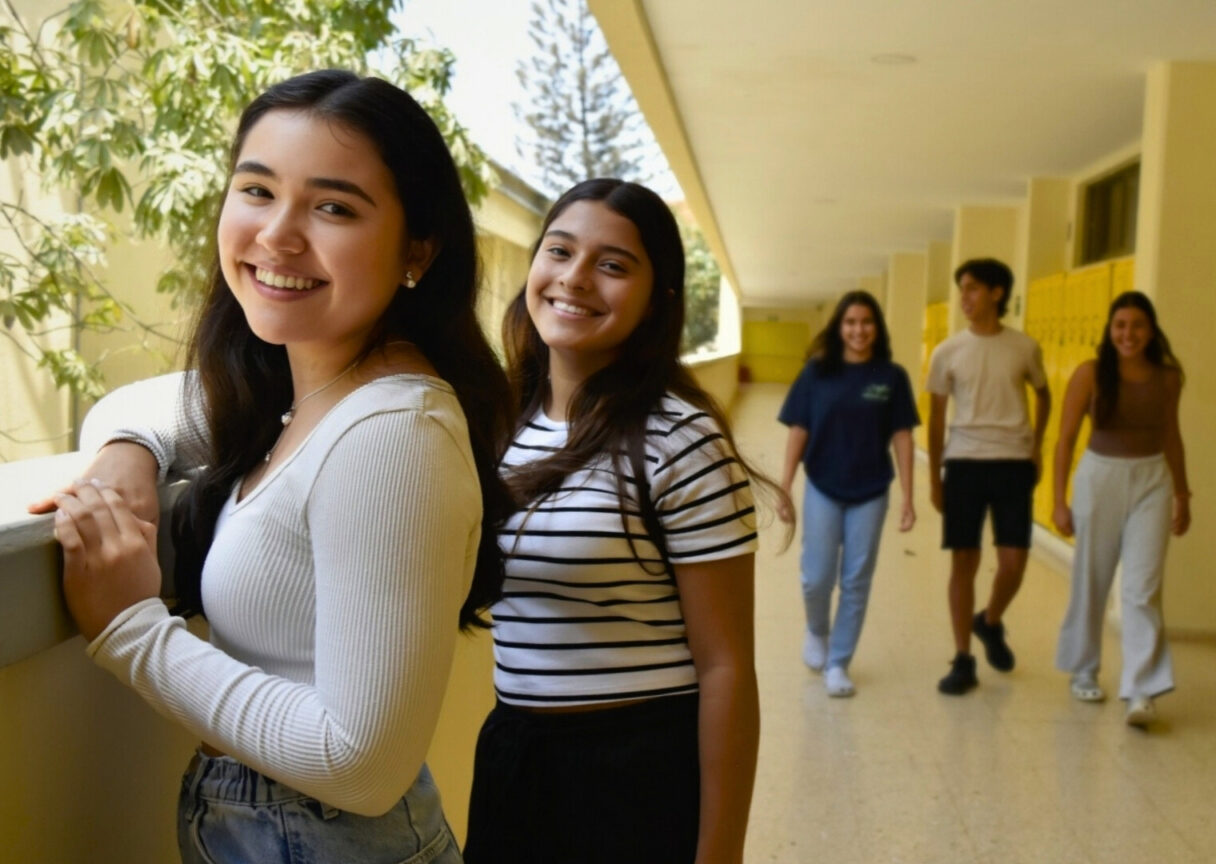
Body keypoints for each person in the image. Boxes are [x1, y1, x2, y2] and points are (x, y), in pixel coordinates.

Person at [27, 70, 514, 861]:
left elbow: (363, 767)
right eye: (256, 190)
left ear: (416, 249)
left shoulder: (394, 435)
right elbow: (134, 407)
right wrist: (127, 458)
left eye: (333, 208)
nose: (278, 235)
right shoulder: (303, 385)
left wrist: (129, 629)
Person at [462, 179, 772, 864]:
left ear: (658, 298)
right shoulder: (492, 422)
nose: (574, 279)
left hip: (636, 773)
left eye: (612, 265)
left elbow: (726, 667)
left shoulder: (679, 439)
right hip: (515, 756)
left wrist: (720, 853)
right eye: (560, 251)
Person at [1051, 290, 1191, 729]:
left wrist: (1183, 494)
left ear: (1151, 331)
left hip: (1152, 480)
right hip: (1100, 478)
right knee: (1092, 577)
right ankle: (1084, 668)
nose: (1128, 334)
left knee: (1142, 587)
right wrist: (1058, 500)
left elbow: (1171, 435)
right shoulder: (1091, 374)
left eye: (1137, 326)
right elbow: (1065, 438)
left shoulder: (1168, 378)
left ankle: (1142, 689)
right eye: (1120, 326)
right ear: (1110, 330)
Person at [776, 291, 919, 697]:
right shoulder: (817, 372)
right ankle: (817, 630)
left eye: (867, 322)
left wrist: (909, 498)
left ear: (878, 328)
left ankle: (839, 662)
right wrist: (784, 486)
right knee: (816, 576)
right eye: (851, 322)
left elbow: (903, 437)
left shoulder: (891, 377)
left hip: (871, 490)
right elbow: (799, 429)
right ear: (839, 327)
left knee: (856, 579)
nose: (859, 330)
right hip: (823, 484)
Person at [926, 258, 1051, 695]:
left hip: (1014, 463)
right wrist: (935, 477)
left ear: (997, 293)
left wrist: (1036, 447)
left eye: (973, 288)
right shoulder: (947, 351)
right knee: (964, 560)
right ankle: (963, 657)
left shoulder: (1024, 347)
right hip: (963, 462)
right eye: (962, 289)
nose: (965, 297)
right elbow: (937, 415)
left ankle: (990, 620)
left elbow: (1043, 394)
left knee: (1013, 562)